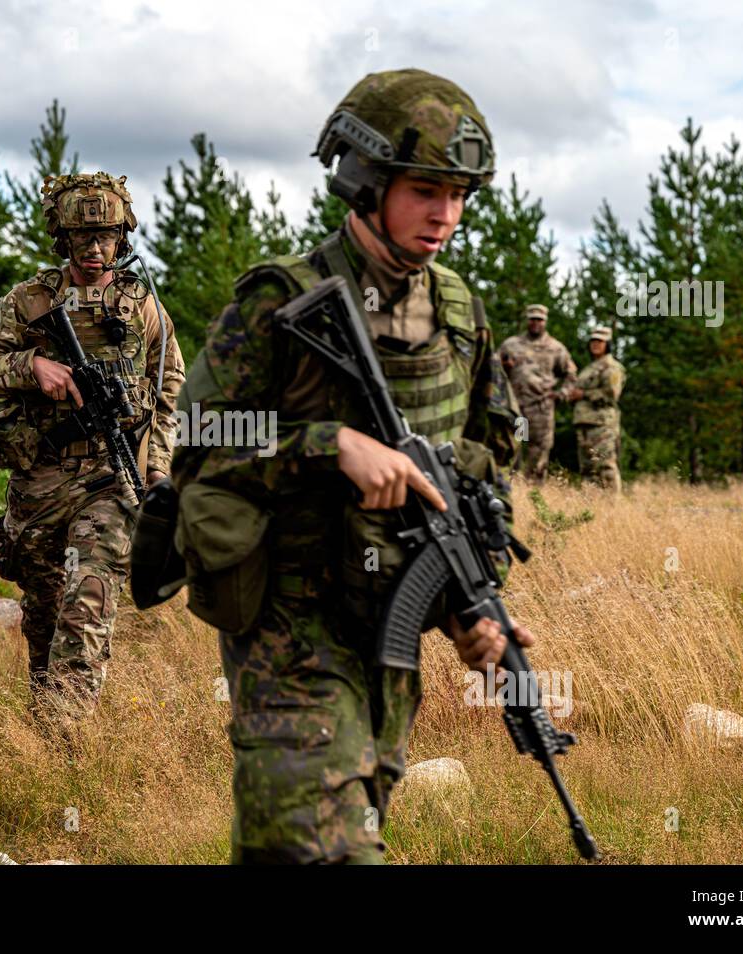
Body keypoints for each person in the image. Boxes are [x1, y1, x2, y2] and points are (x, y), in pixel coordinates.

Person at [171, 68, 537, 864]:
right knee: (324, 849)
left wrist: (471, 610)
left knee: (312, 838)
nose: (447, 214)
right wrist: (327, 443)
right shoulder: (282, 300)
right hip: (290, 630)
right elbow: (195, 436)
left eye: (461, 194)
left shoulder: (461, 315)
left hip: (389, 642)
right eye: (425, 189)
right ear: (366, 181)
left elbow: (472, 483)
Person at [0, 172, 184, 724]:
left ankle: (68, 733)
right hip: (40, 479)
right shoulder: (28, 301)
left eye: (106, 236)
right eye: (83, 238)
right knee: (43, 612)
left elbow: (168, 388)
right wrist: (32, 367)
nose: (96, 248)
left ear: (122, 237)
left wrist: (155, 467)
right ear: (62, 238)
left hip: (111, 476)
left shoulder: (143, 307)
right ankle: (44, 730)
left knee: (88, 602)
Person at [497, 303, 577, 482]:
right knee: (514, 448)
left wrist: (561, 394)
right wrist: (503, 366)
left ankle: (535, 495)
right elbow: (492, 369)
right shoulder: (511, 345)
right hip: (517, 409)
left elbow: (571, 374)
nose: (535, 323)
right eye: (532, 319)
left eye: (539, 320)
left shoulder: (555, 348)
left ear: (545, 322)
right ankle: (513, 490)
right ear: (527, 320)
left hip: (541, 409)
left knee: (539, 451)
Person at [568, 326, 625, 492]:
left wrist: (583, 394)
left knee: (605, 465)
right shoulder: (590, 368)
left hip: (602, 424)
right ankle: (592, 508)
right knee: (587, 469)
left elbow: (612, 394)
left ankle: (613, 506)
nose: (595, 344)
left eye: (600, 341)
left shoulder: (612, 367)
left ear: (607, 344)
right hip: (584, 423)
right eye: (593, 340)